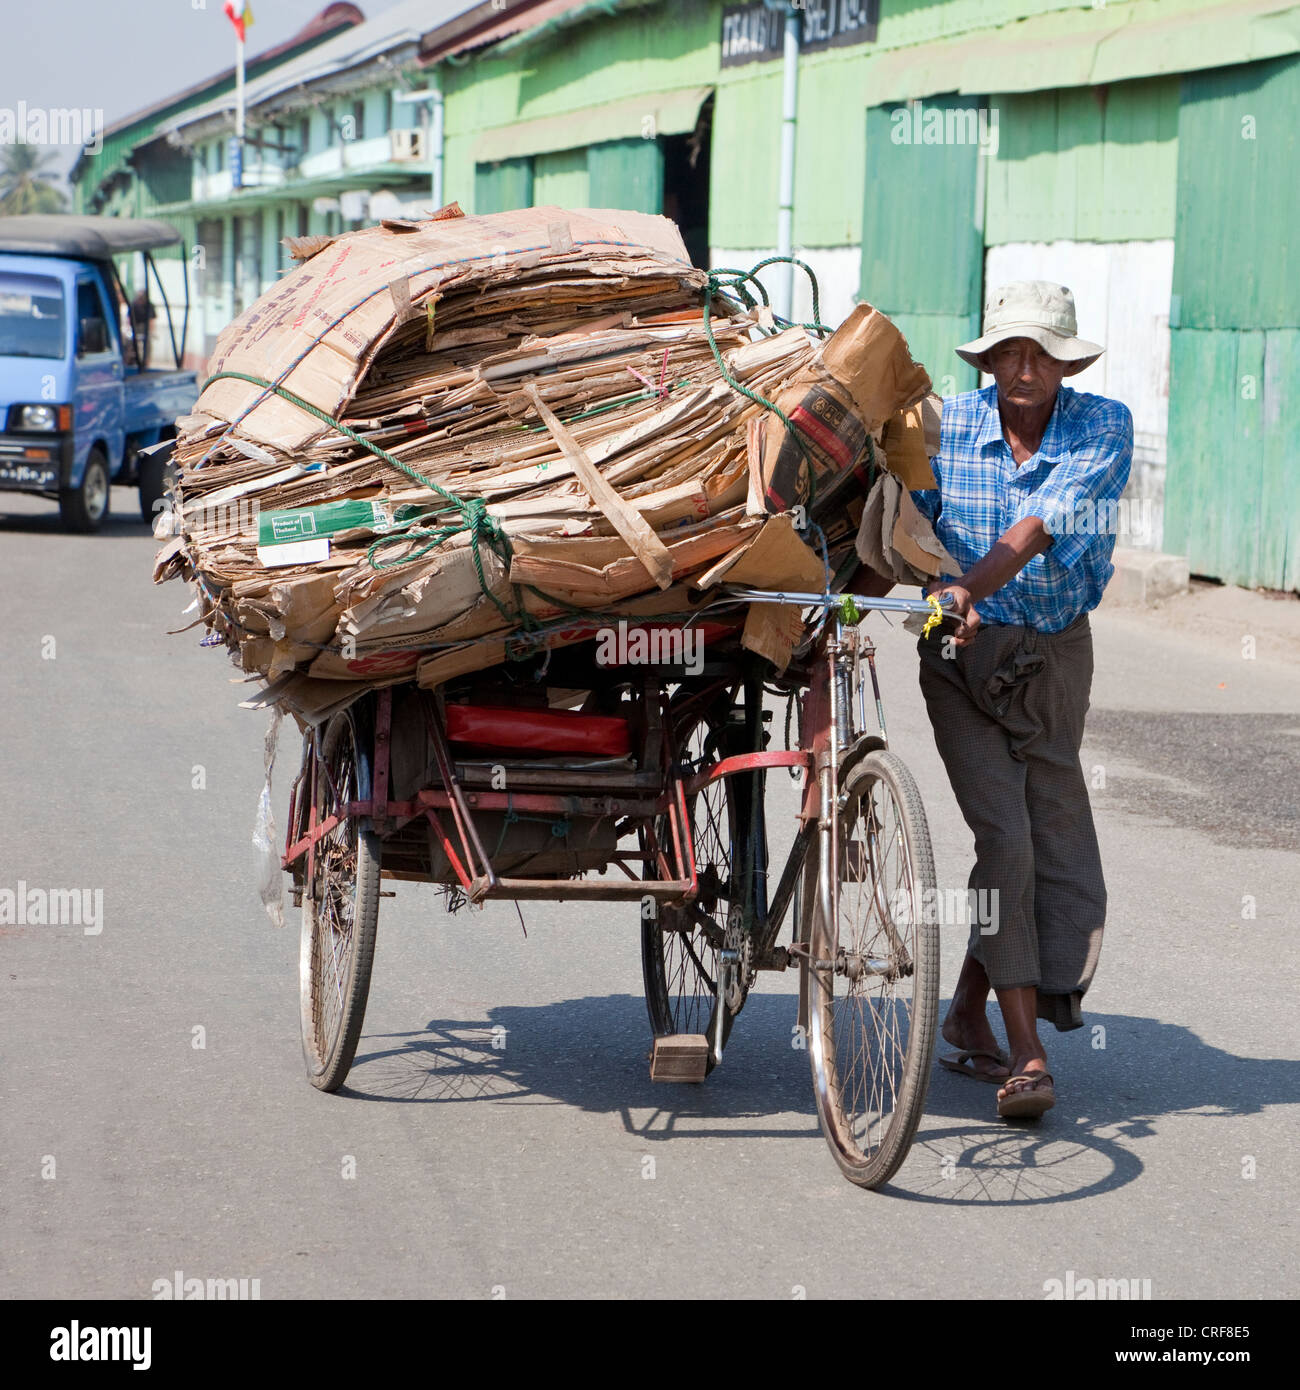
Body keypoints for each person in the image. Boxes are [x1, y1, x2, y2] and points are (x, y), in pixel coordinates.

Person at [910, 280, 1133, 1119]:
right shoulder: (947, 424)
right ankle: (1028, 1056)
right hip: (958, 659)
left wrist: (969, 584)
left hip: (1052, 656)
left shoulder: (1102, 425)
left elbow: (1040, 524)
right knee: (1006, 836)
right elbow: (914, 524)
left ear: (1066, 362)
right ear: (990, 358)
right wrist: (940, 587)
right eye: (1008, 351)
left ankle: (970, 1008)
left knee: (1051, 839)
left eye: (1040, 353)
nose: (1022, 367)